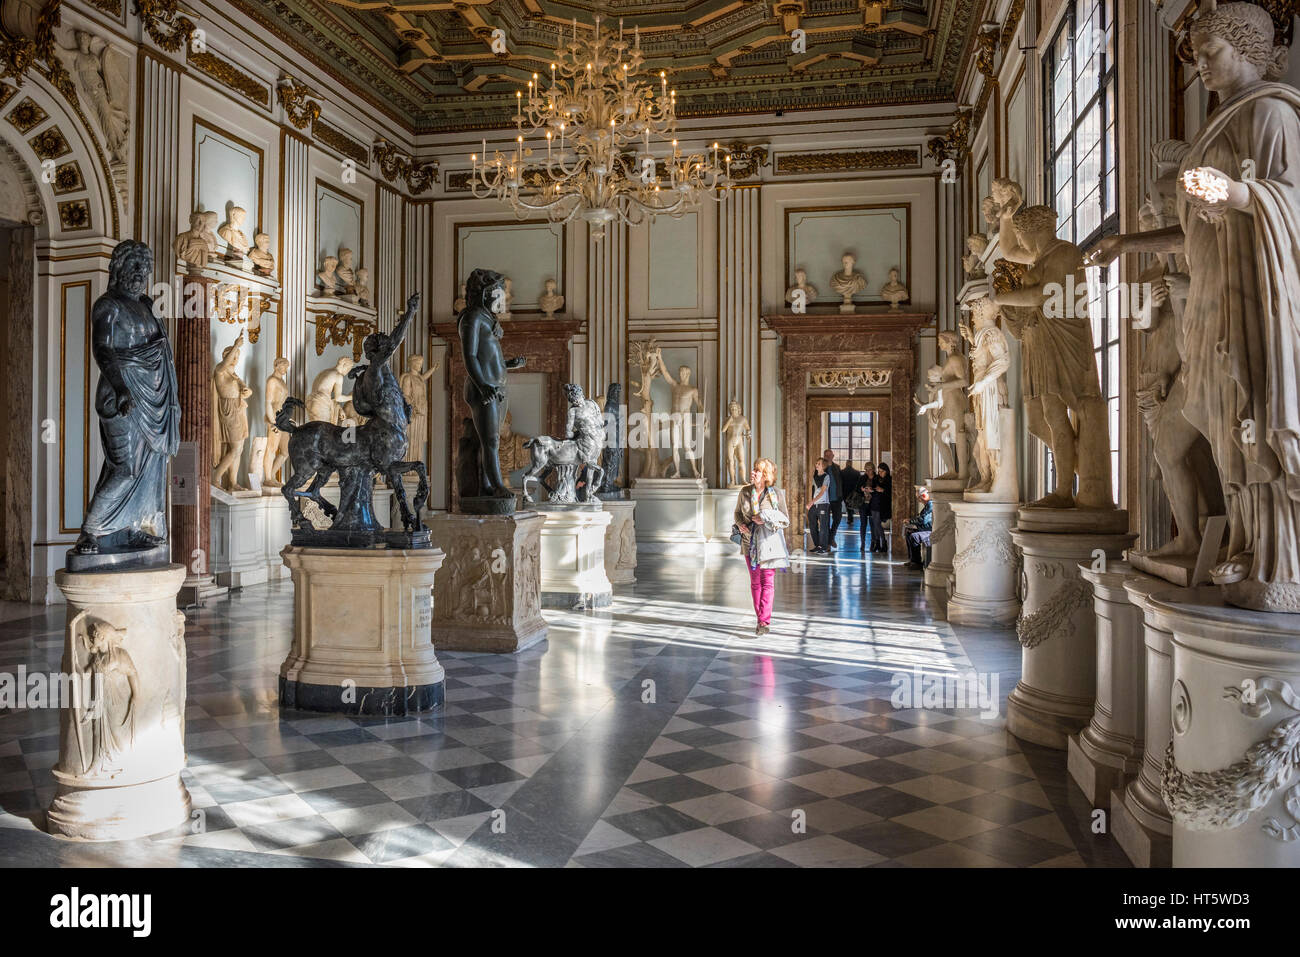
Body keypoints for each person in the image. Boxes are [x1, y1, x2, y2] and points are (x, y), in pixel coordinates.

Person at [735, 457, 790, 636]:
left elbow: (785, 519)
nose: (753, 473)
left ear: (765, 475)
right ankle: (760, 617)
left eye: (757, 471)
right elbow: (737, 513)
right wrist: (740, 524)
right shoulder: (744, 492)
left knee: (768, 582)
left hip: (768, 544)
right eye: (753, 469)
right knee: (755, 583)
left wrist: (765, 518)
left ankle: (764, 621)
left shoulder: (776, 494)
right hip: (748, 543)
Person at [806, 458, 831, 554]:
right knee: (812, 524)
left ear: (823, 466)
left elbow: (822, 492)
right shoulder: (815, 476)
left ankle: (823, 546)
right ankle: (817, 545)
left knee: (823, 526)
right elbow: (813, 491)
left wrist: (811, 502)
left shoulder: (826, 477)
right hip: (814, 504)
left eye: (819, 464)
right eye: (816, 463)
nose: (816, 465)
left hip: (823, 503)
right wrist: (812, 502)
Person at [867, 462, 892, 554]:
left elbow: (891, 493)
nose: (880, 473)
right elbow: (873, 489)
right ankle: (878, 543)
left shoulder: (889, 479)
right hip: (874, 502)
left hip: (882, 504)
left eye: (882, 471)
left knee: (877, 524)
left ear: (886, 471)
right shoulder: (876, 478)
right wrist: (870, 490)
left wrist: (883, 490)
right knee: (875, 523)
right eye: (879, 471)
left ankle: (883, 542)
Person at [905, 487, 934, 569]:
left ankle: (917, 562)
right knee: (908, 532)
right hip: (926, 528)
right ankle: (912, 559)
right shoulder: (927, 504)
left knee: (914, 536)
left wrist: (911, 521)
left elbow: (924, 520)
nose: (918, 500)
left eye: (919, 498)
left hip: (930, 530)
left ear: (924, 496)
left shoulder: (930, 504)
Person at [822, 448, 844, 549]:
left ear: (833, 456)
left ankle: (831, 537)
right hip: (825, 499)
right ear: (824, 456)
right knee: (825, 521)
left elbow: (841, 482)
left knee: (838, 518)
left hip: (836, 498)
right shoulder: (821, 468)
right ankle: (827, 543)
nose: (828, 457)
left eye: (830, 455)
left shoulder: (837, 467)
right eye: (826, 455)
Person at [841, 459, 863, 530]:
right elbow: (859, 483)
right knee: (853, 503)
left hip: (845, 491)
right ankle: (852, 517)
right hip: (853, 491)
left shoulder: (842, 472)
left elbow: (840, 483)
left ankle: (850, 518)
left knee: (847, 505)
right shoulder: (856, 472)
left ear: (846, 464)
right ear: (851, 464)